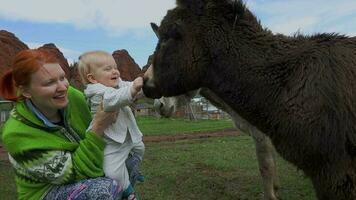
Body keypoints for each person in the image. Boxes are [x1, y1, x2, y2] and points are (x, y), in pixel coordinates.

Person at [0, 49, 124, 200]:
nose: (63, 87)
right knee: (103, 189)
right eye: (49, 83)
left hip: (87, 167)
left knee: (127, 158)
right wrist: (98, 127)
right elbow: (75, 174)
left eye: (62, 78)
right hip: (47, 191)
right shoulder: (17, 134)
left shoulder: (72, 96)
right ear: (26, 91)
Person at [77, 50, 145, 200]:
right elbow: (114, 98)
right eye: (108, 69)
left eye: (115, 67)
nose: (115, 71)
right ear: (92, 78)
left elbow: (129, 86)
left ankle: (134, 171)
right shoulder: (95, 92)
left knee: (140, 148)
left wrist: (143, 86)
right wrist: (133, 89)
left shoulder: (117, 83)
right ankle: (129, 192)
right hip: (111, 142)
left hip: (128, 135)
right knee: (112, 173)